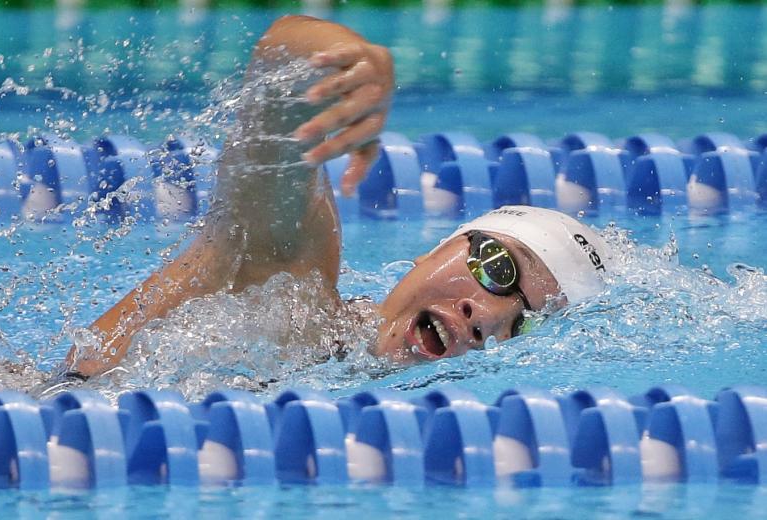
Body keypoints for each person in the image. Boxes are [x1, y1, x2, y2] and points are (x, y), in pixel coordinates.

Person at [64, 15, 610, 378]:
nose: (484, 316)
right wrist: (346, 59)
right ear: (437, 249)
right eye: (495, 265)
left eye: (523, 325)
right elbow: (277, 66)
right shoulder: (288, 289)